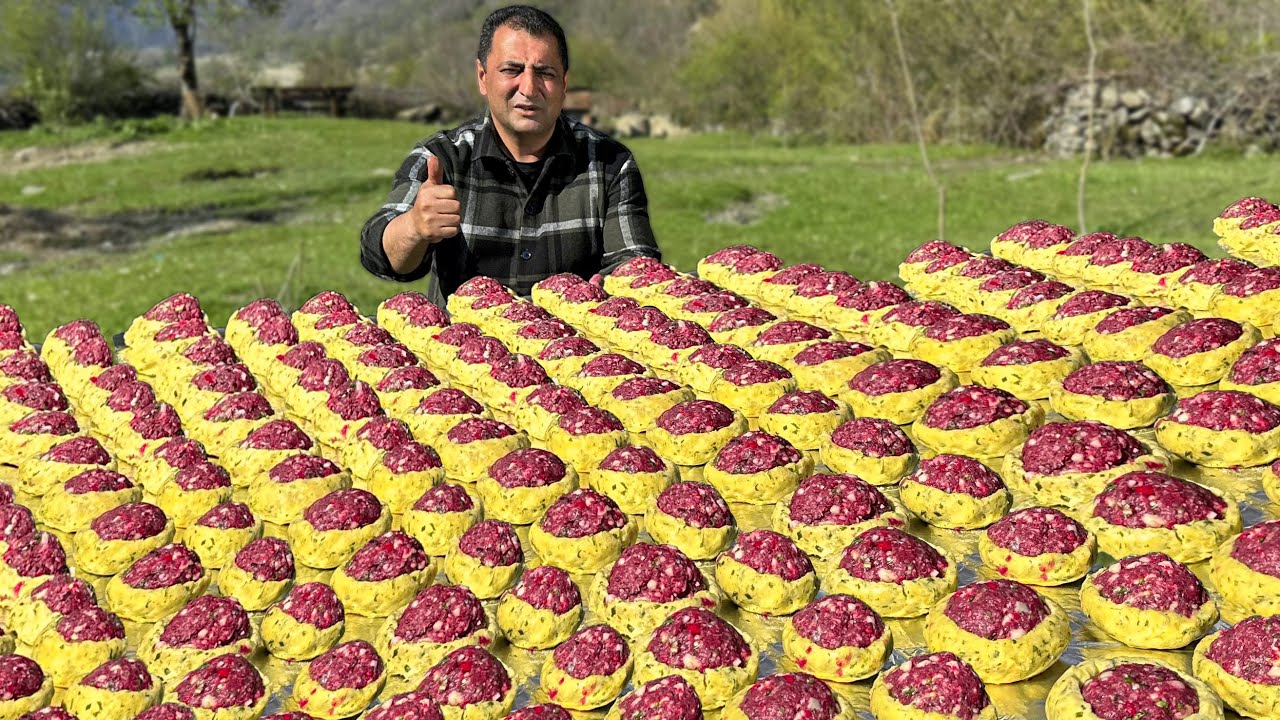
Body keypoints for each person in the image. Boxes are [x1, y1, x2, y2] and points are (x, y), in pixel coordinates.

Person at [359, 5, 662, 306]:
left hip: (576, 347)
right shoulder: (442, 158)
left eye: (545, 72)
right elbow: (380, 255)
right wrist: (414, 226)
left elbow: (635, 270)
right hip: (461, 347)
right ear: (482, 77)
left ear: (564, 85)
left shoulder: (610, 163)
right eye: (511, 70)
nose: (529, 88)